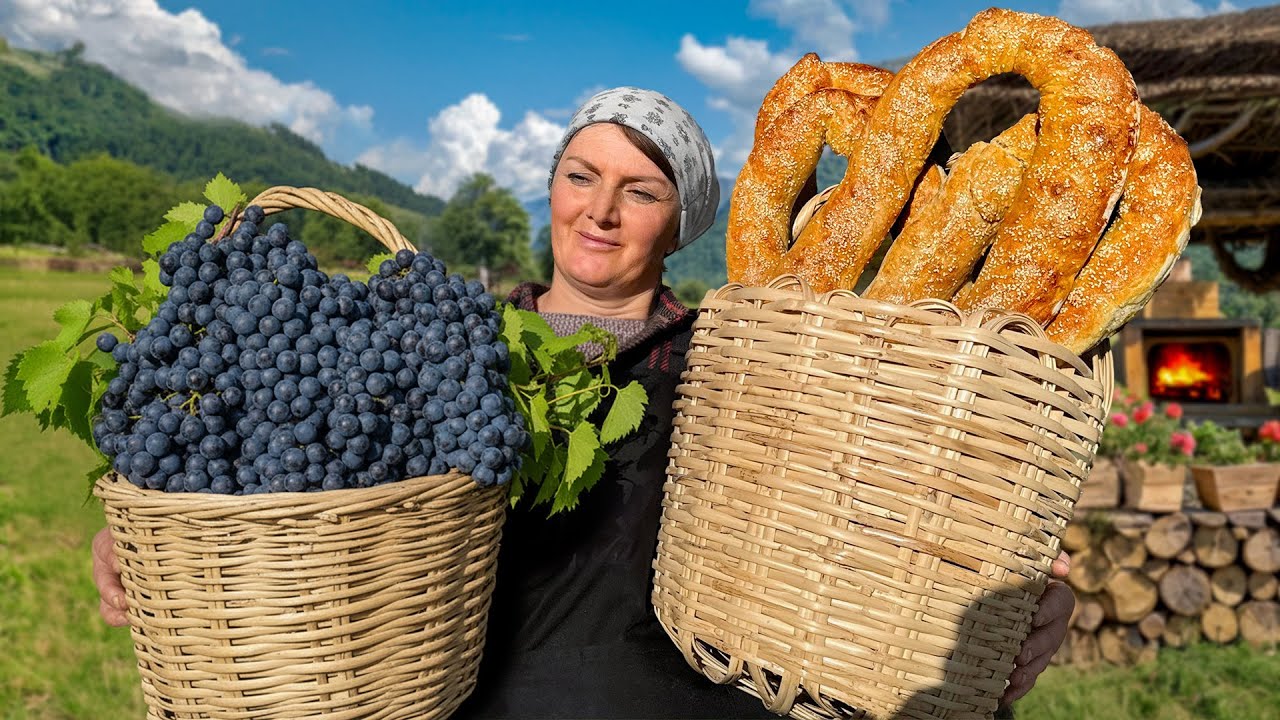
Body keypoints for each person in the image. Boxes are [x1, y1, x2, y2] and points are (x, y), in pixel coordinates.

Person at [91, 86, 1075, 718]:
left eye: (639, 191)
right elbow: (285, 446)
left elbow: (904, 486)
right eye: (579, 177)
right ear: (551, 188)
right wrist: (150, 518)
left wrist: (1044, 582)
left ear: (678, 222)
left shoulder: (739, 362)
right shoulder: (445, 339)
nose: (598, 211)